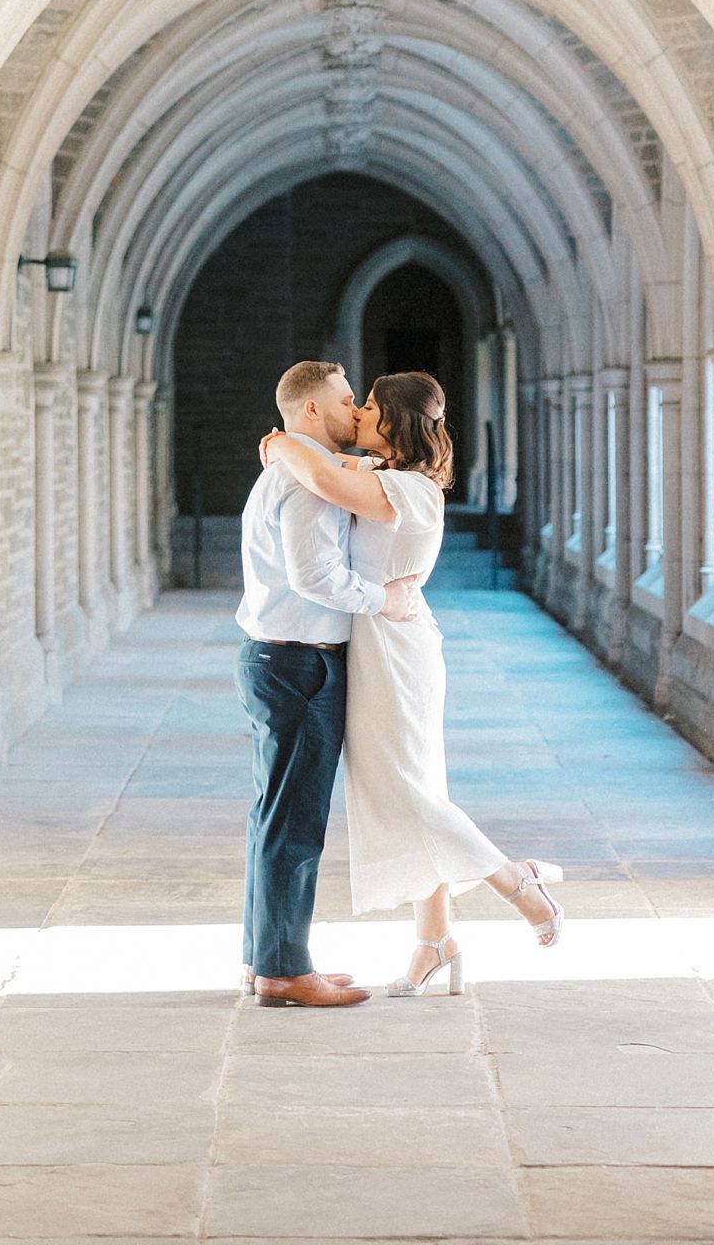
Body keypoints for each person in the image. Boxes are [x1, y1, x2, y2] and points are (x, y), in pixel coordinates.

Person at [262, 370, 563, 998]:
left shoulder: (408, 489)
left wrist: (285, 443)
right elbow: (336, 470)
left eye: (369, 406)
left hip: (396, 645)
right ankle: (435, 940)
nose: (361, 413)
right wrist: (299, 446)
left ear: (395, 422)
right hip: (376, 639)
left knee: (409, 791)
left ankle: (517, 884)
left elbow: (323, 476)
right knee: (411, 785)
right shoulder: (382, 475)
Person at [235, 358, 421, 1009]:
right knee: (295, 822)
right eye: (346, 399)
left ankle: (263, 959)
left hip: (278, 656)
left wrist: (283, 441)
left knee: (274, 814)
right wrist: (384, 602)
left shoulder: (301, 464)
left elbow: (372, 473)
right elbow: (314, 576)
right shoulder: (309, 479)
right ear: (311, 409)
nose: (355, 410)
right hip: (300, 662)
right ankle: (283, 971)